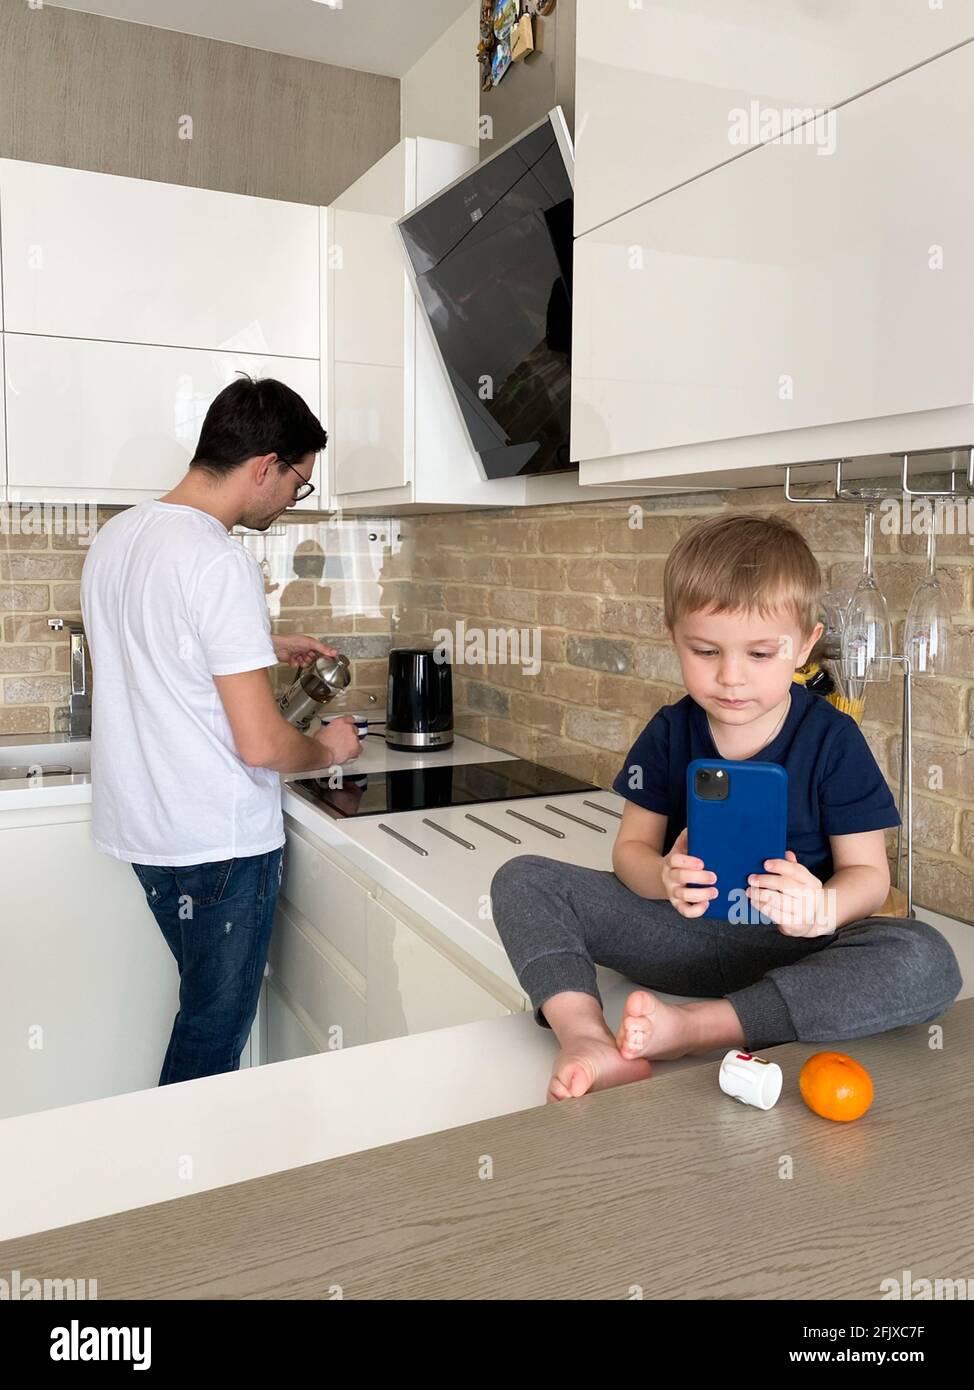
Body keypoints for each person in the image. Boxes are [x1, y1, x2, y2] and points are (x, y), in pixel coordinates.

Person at [491, 513, 963, 1102]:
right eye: (706, 650)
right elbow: (631, 853)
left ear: (805, 645)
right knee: (523, 880)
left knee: (926, 956)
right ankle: (586, 1036)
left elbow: (869, 877)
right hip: (678, 935)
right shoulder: (669, 730)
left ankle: (696, 1029)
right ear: (674, 636)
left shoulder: (833, 738)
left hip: (796, 948)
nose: (731, 678)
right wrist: (663, 879)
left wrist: (823, 907)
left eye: (761, 654)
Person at [80, 376, 362, 1085]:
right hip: (219, 843)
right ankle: (179, 1189)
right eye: (298, 484)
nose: (291, 500)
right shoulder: (219, 558)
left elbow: (168, 645)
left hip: (149, 834)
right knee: (213, 1031)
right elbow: (263, 744)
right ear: (265, 464)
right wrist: (327, 749)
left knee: (201, 1010)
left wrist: (264, 641)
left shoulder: (117, 536)